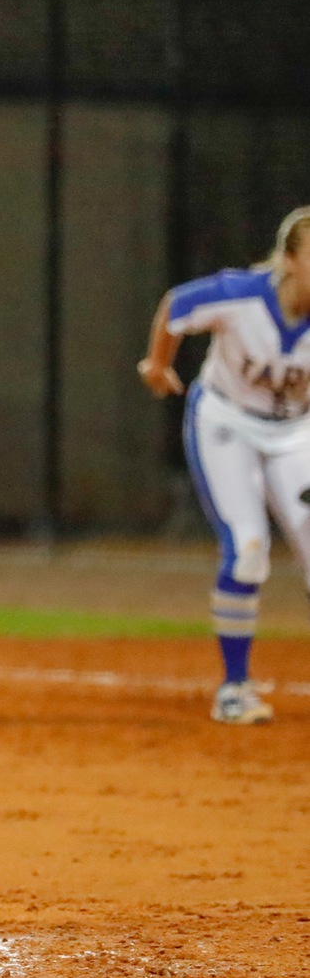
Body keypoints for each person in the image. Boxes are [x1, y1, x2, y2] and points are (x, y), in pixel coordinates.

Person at [138, 204, 310, 725]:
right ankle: (234, 688)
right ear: (288, 260)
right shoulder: (239, 294)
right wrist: (157, 364)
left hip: (296, 432)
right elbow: (176, 306)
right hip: (227, 422)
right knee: (248, 550)